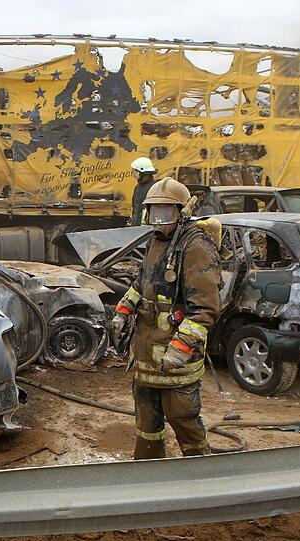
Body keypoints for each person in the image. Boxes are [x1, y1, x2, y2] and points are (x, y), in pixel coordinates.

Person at [110, 177, 220, 459]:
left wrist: (181, 349)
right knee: (146, 423)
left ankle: (201, 474)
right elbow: (142, 282)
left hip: (175, 361)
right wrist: (123, 310)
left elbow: (205, 307)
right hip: (146, 356)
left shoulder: (196, 246)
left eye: (165, 213)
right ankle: (148, 473)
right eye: (153, 212)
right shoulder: (156, 242)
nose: (158, 220)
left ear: (182, 212)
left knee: (182, 418)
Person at [129, 157, 156, 225]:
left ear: (142, 172)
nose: (133, 173)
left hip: (148, 230)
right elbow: (135, 208)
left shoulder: (155, 188)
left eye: (135, 170)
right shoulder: (137, 188)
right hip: (136, 229)